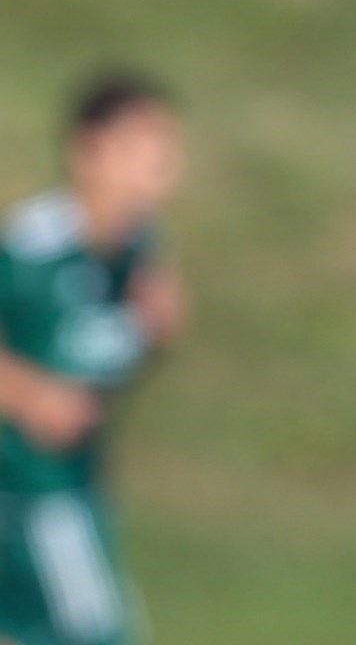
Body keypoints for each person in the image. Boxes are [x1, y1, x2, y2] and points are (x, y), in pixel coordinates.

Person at [0, 73, 186, 645]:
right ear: (91, 150)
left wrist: (156, 333)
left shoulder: (137, 250)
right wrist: (29, 395)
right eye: (141, 145)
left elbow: (104, 355)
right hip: (26, 493)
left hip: (77, 489)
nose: (161, 162)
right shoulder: (34, 246)